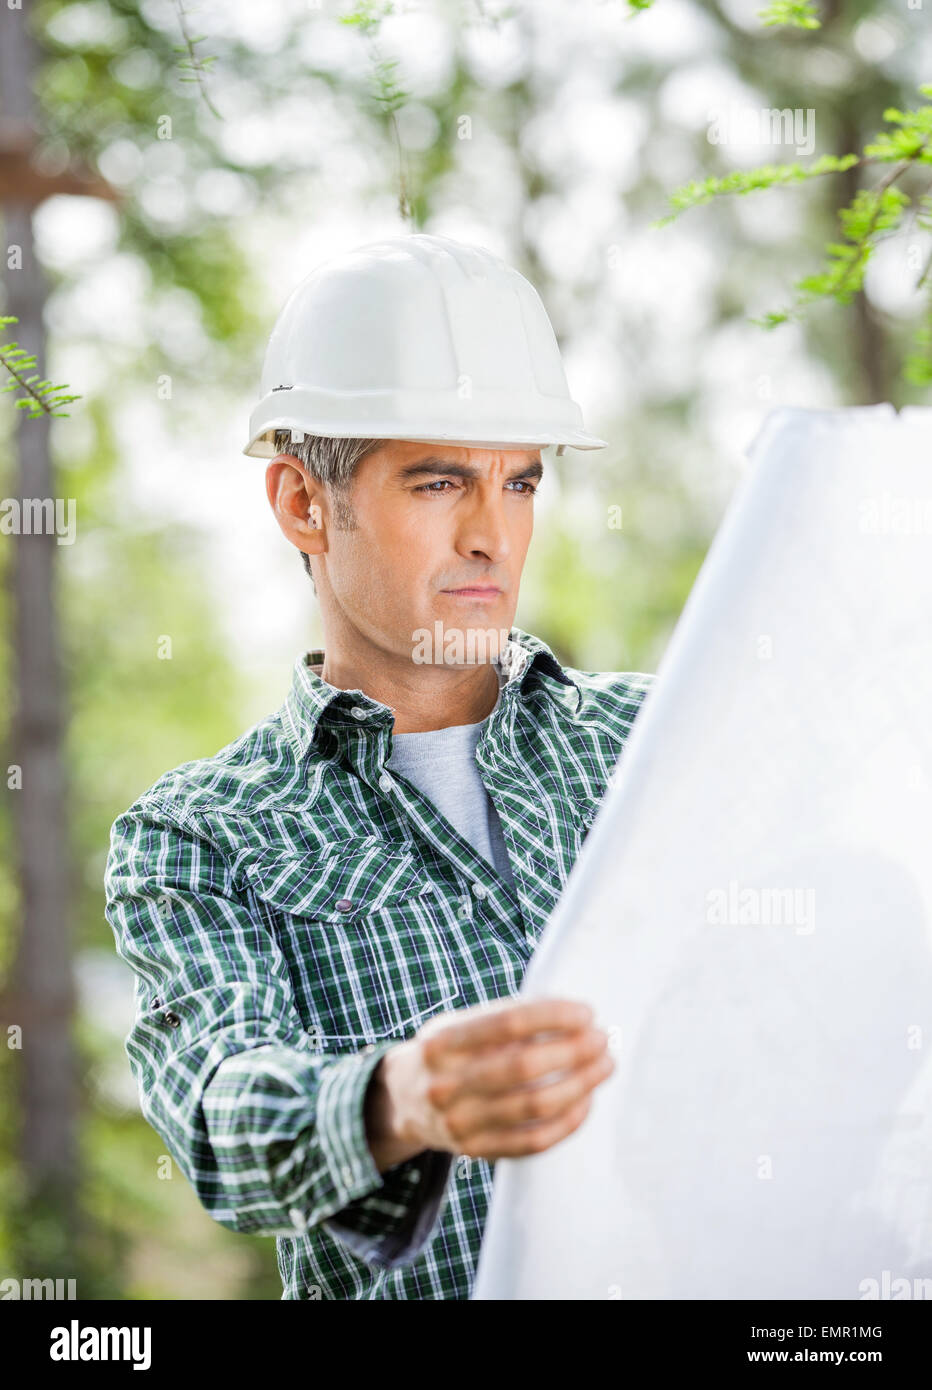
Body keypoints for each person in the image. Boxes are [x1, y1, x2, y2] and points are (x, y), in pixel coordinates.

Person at [104, 232, 654, 1300]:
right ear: (303, 503)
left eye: (521, 483)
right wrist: (400, 1099)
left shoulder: (653, 743)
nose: (493, 535)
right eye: (439, 482)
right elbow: (224, 1120)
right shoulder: (198, 835)